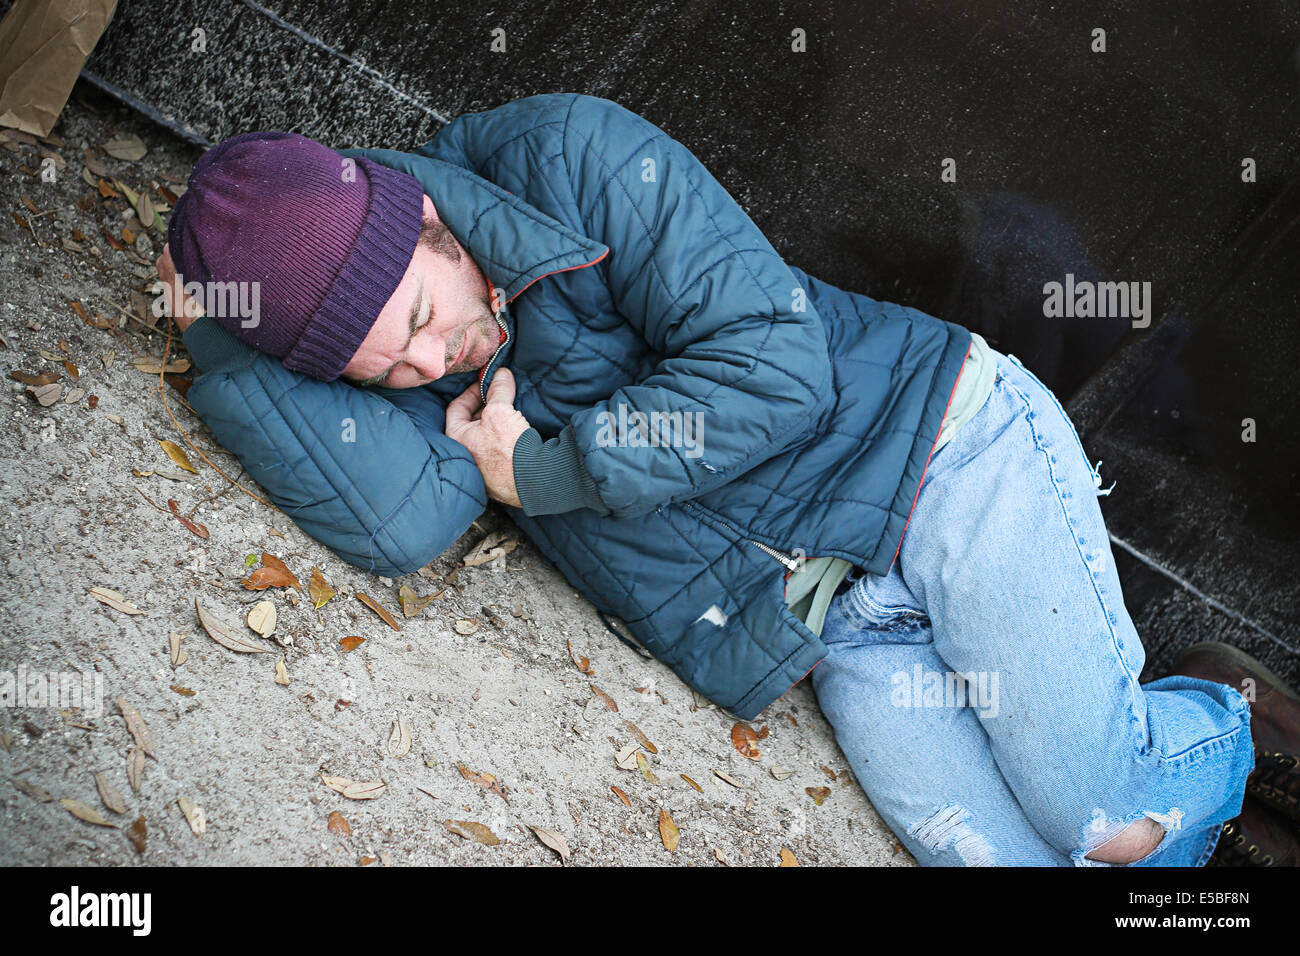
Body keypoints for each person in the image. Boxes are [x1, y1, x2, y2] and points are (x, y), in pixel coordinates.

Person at [155, 93, 1290, 866]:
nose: (423, 361)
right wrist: (224, 331)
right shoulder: (407, 352)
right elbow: (403, 519)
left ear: (428, 218)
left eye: (417, 319)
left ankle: (1226, 713)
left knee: (1094, 819)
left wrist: (551, 467)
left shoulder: (573, 156)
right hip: (847, 622)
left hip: (945, 457)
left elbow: (777, 366)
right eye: (383, 367)